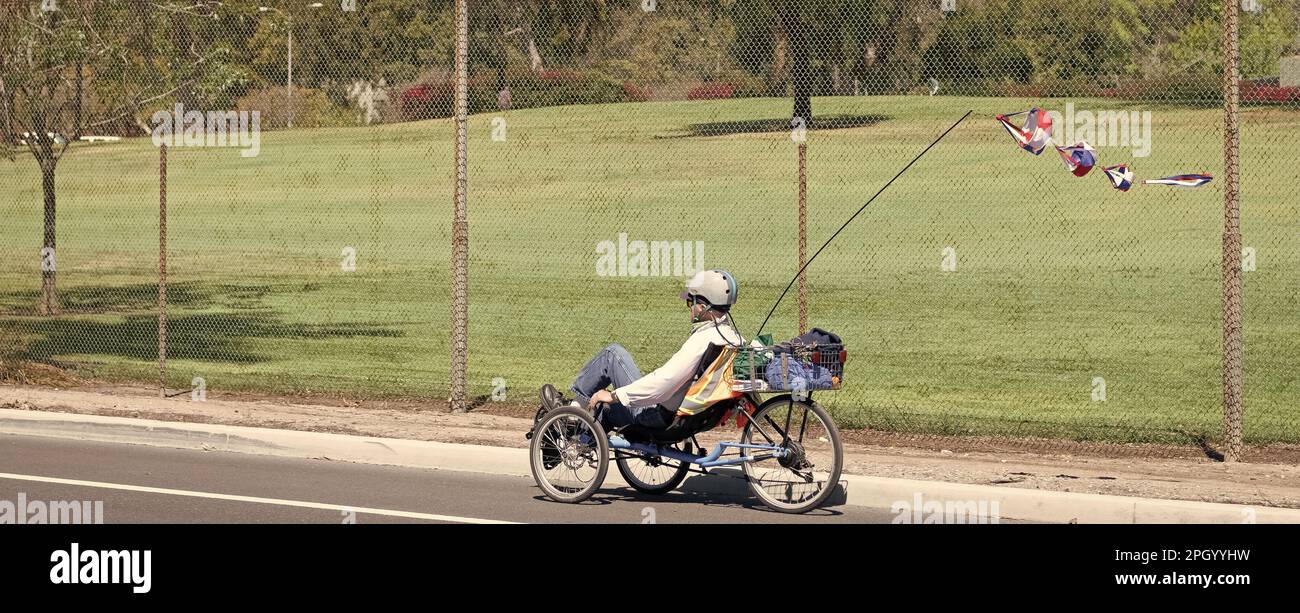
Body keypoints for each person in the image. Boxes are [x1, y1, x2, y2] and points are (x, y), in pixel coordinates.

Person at [539, 269, 744, 433]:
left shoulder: (701, 340)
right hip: (691, 417)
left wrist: (615, 396)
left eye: (691, 302)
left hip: (658, 416)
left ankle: (570, 413)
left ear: (703, 306)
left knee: (613, 354)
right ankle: (571, 428)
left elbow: (663, 383)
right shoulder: (734, 339)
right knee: (608, 400)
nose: (689, 308)